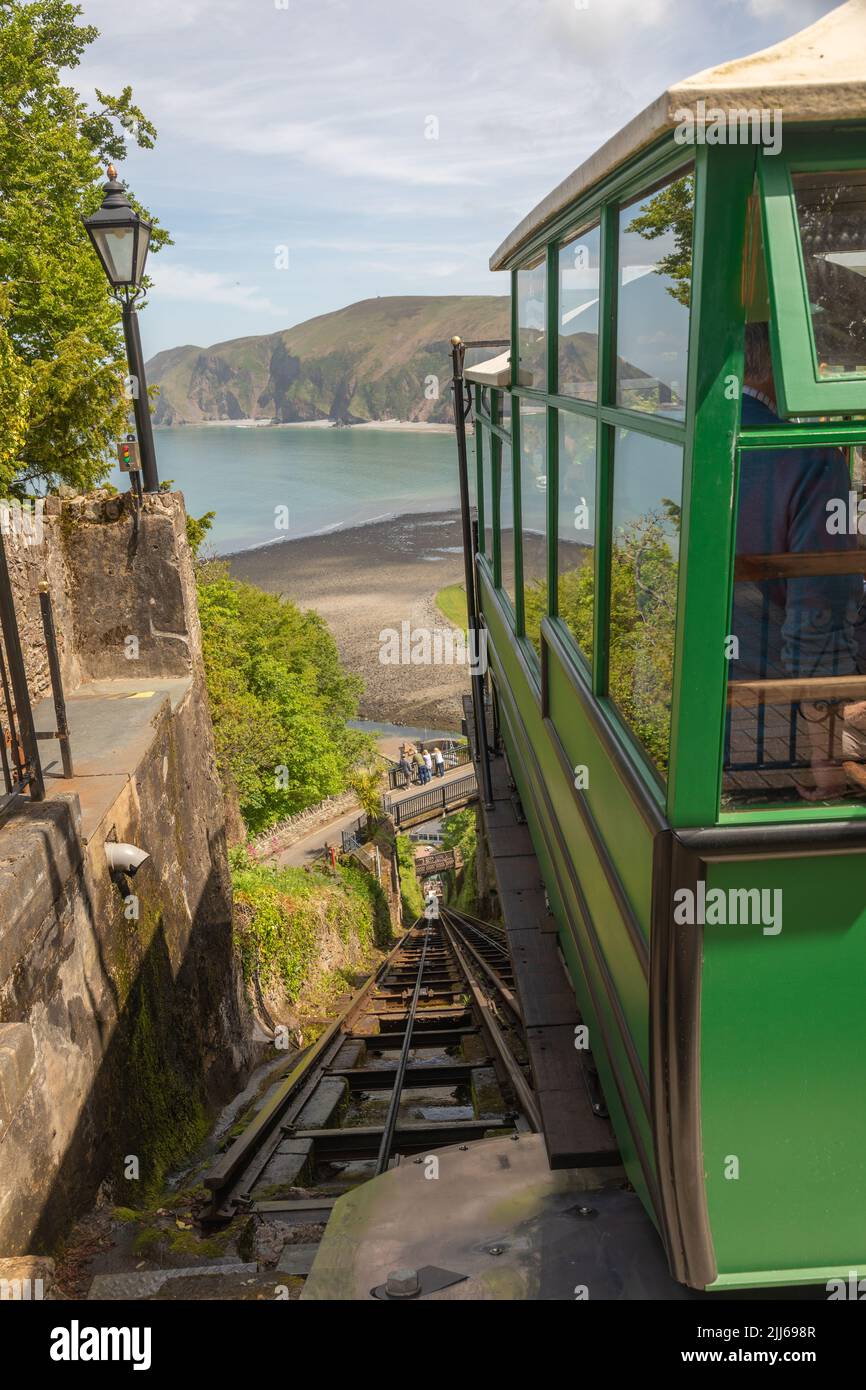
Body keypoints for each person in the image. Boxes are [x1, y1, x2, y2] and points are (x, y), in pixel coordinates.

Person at [730, 322, 864, 800]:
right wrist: (825, 759)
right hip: (773, 675)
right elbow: (821, 602)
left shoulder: (695, 438)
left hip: (721, 669)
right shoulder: (814, 456)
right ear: (781, 372)